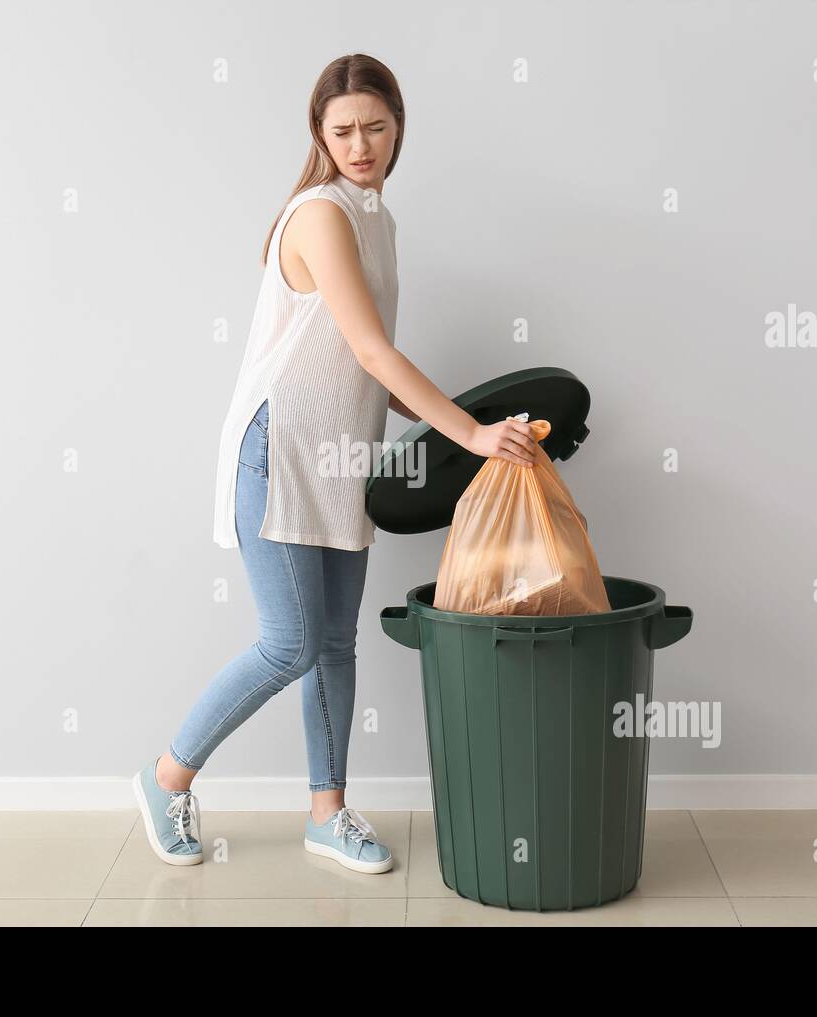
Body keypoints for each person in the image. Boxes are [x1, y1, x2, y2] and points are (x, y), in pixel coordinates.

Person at [133, 53, 536, 874]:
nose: (361, 144)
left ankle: (328, 813)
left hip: (339, 453)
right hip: (277, 448)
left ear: (399, 129)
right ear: (319, 133)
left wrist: (469, 428)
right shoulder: (320, 215)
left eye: (377, 128)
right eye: (344, 130)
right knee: (289, 644)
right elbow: (375, 350)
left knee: (336, 644)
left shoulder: (379, 219)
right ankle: (165, 774)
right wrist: (467, 434)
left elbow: (361, 366)